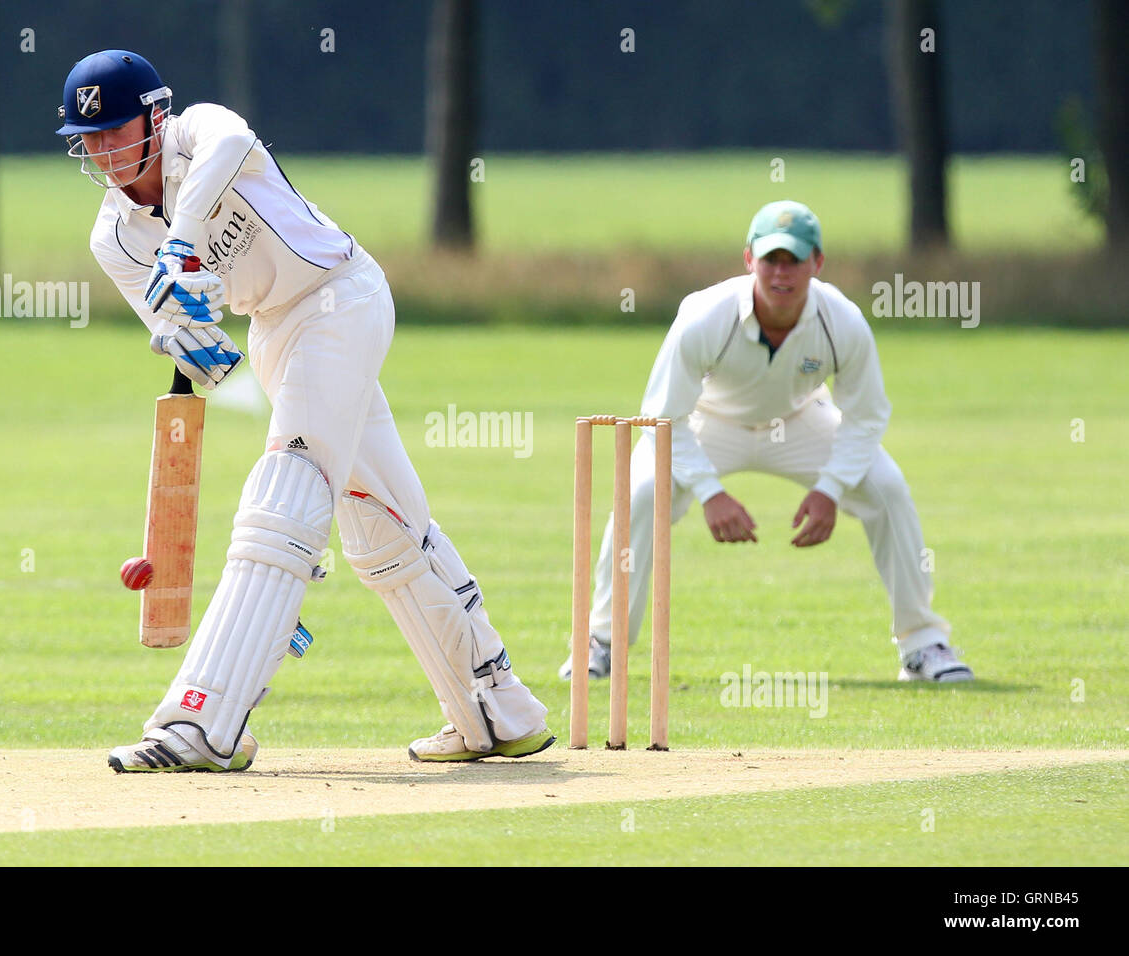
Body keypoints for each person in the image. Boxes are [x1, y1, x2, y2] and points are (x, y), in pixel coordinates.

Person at [55, 50, 555, 771]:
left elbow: (231, 146)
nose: (104, 152)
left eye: (116, 130)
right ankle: (496, 710)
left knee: (283, 498)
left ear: (155, 115)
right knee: (381, 526)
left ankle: (204, 724)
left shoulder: (201, 131)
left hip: (339, 298)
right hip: (273, 335)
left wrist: (185, 240)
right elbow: (199, 346)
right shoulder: (113, 237)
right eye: (88, 139)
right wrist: (195, 338)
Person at [559, 200, 972, 684]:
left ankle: (923, 645)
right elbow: (662, 416)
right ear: (748, 260)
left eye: (794, 260)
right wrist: (710, 494)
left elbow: (866, 416)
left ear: (817, 263)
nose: (781, 273)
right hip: (704, 424)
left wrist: (830, 489)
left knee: (888, 488)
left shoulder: (843, 322)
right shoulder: (704, 316)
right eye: (771, 259)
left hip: (800, 420)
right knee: (643, 493)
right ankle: (602, 642)